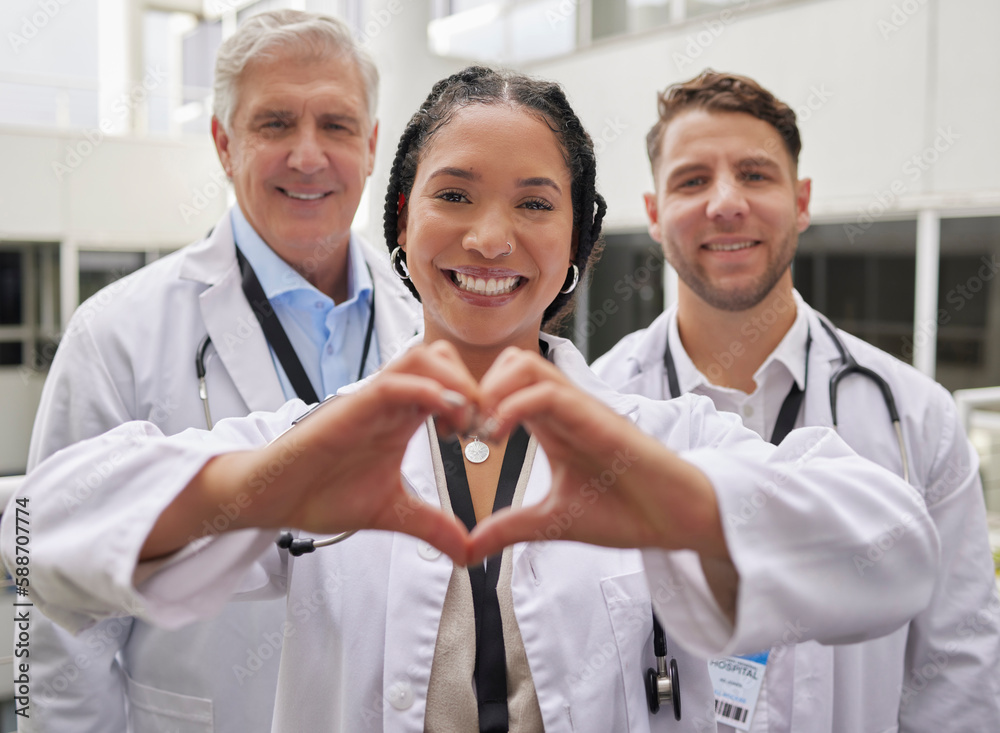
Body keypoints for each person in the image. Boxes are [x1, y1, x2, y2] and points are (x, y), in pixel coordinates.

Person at [6, 67, 940, 733]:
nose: (492, 238)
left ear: (578, 239)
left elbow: (895, 555)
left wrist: (681, 503)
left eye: (536, 204)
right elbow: (28, 539)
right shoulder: (320, 441)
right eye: (454, 195)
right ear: (402, 226)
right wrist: (269, 487)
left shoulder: (660, 435)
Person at [21, 10, 421, 733]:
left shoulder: (426, 329)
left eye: (335, 125)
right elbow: (52, 610)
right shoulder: (117, 334)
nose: (307, 155)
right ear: (222, 143)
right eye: (274, 124)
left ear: (369, 146)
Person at [593, 70, 1000, 732]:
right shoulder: (599, 410)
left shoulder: (915, 417)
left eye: (755, 174)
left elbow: (959, 669)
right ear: (655, 211)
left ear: (802, 200)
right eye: (692, 180)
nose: (725, 202)